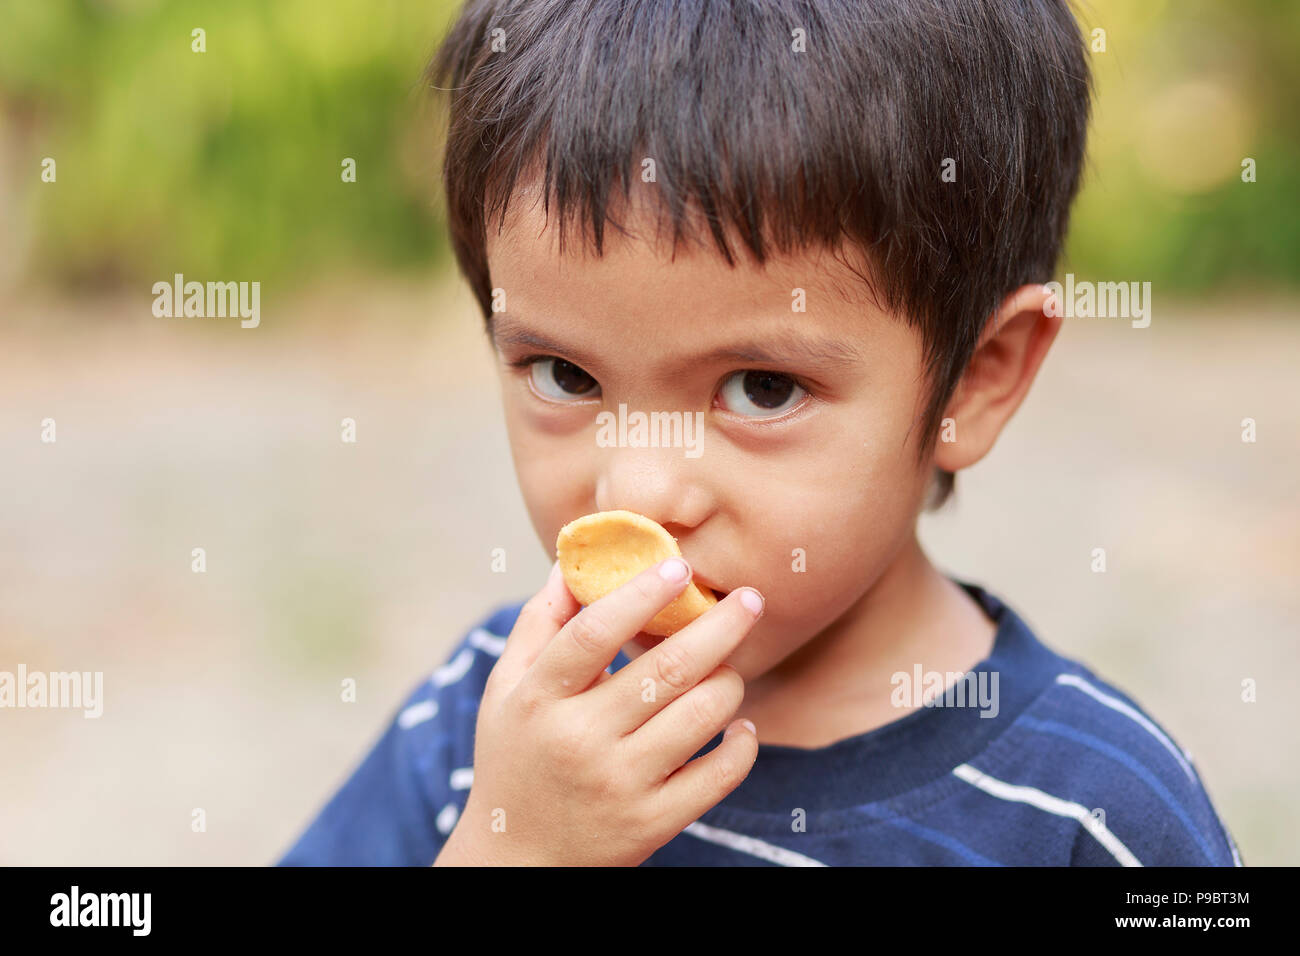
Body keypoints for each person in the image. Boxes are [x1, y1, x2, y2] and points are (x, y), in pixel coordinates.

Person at [279, 0, 1241, 866]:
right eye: (567, 376)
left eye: (763, 388)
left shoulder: (1090, 817)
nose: (636, 495)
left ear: (977, 380)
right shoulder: (491, 726)